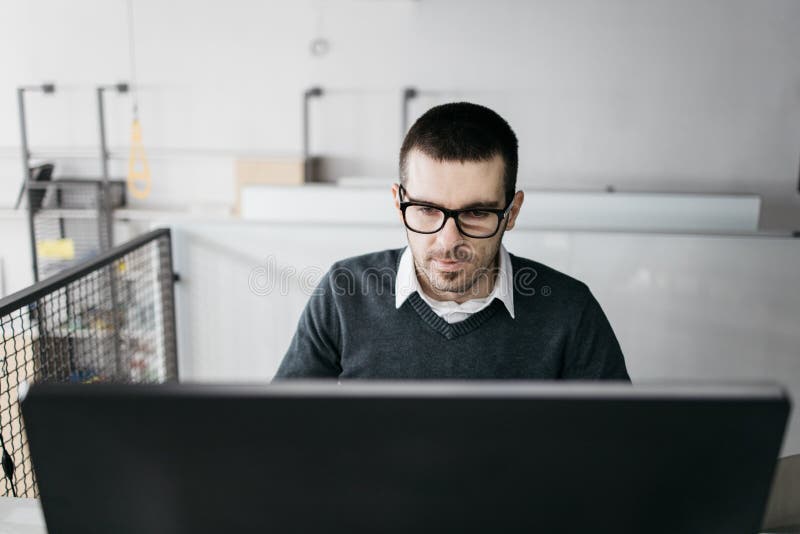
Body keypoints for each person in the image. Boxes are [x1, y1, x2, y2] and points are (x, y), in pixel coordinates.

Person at [275, 102, 629, 381]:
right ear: (399, 204)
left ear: (512, 212)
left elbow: (621, 444)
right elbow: (280, 431)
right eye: (427, 210)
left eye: (476, 212)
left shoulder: (571, 310)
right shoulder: (343, 294)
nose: (448, 240)